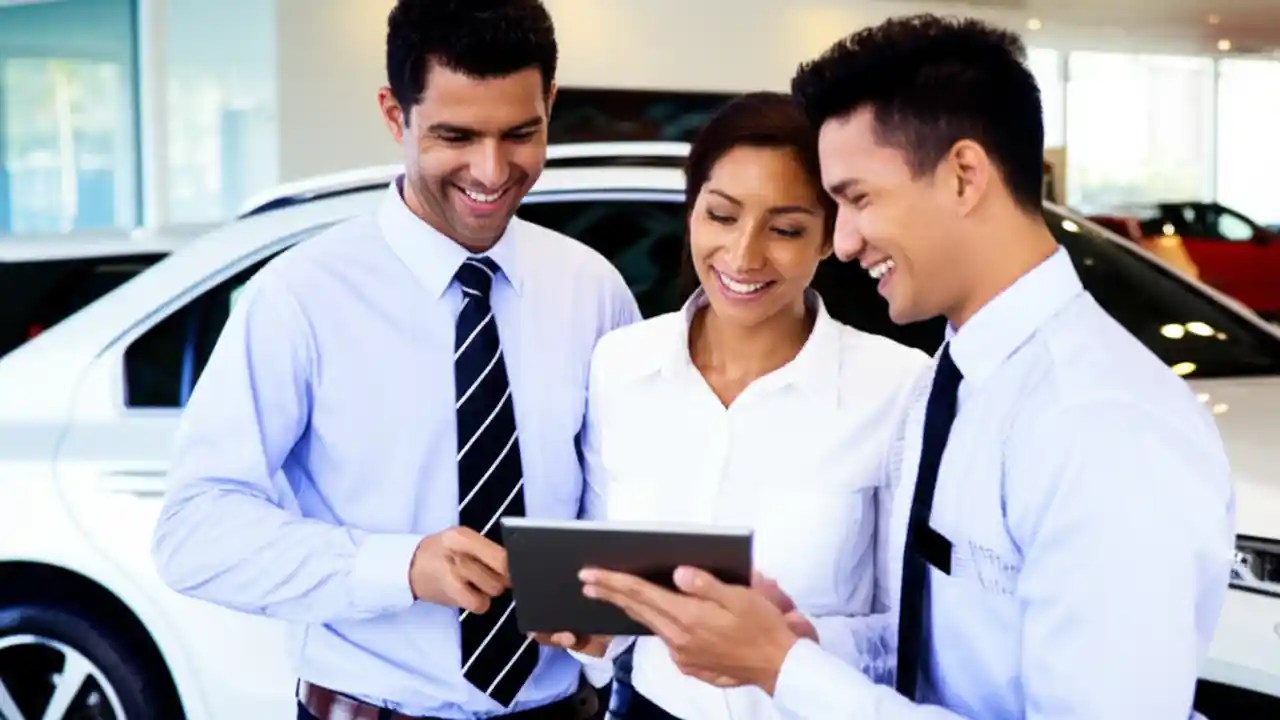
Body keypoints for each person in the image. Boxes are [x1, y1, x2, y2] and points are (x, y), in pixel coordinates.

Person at [578, 14, 1235, 720]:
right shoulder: (957, 381)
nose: (849, 240)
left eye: (856, 200)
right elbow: (940, 647)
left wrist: (784, 669)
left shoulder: (1104, 426)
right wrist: (801, 641)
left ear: (963, 176)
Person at [150, 1, 638, 718]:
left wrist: (613, 615)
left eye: (520, 134)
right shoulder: (300, 297)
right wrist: (401, 567)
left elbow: (624, 505)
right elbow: (193, 531)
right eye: (456, 136)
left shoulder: (592, 288)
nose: (492, 170)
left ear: (551, 107)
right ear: (393, 114)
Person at [544, 92, 929, 720]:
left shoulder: (896, 388)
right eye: (721, 216)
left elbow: (914, 630)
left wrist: (791, 648)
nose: (745, 255)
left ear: (829, 237)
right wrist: (597, 635)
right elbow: (607, 585)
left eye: (785, 229)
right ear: (691, 211)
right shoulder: (619, 365)